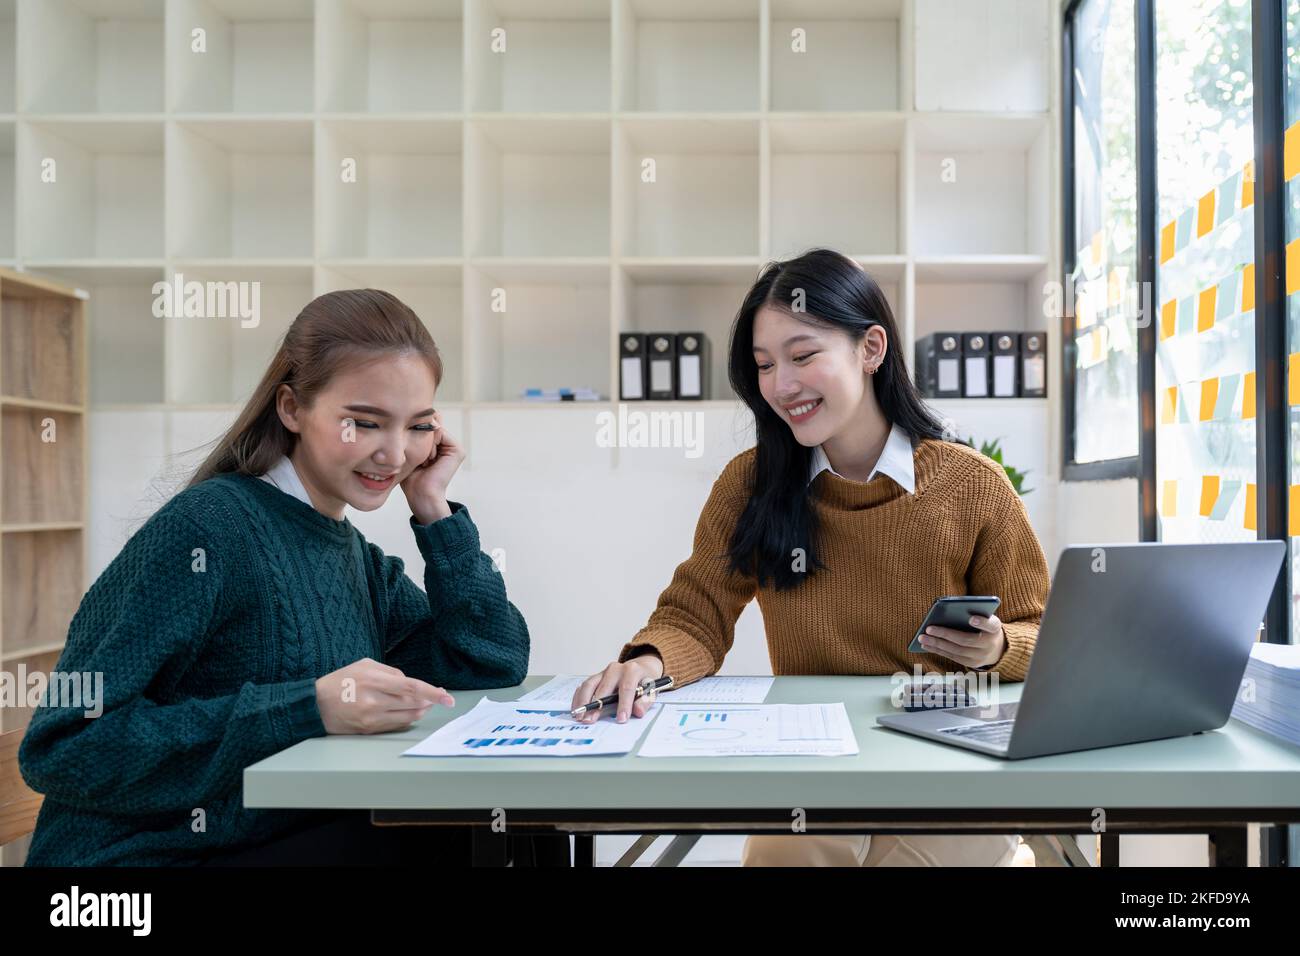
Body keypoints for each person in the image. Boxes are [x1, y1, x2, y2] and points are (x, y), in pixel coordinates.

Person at [572, 249, 1050, 867]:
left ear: (870, 349)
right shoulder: (752, 484)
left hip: (945, 760)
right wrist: (647, 661)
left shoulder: (973, 486)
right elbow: (697, 614)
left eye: (802, 356)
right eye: (765, 365)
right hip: (815, 757)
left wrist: (997, 649)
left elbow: (1041, 634)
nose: (782, 385)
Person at [20, 289, 530, 865]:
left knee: (477, 835)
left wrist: (435, 512)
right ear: (291, 408)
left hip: (266, 842)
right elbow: (63, 747)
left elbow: (489, 659)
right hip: (136, 868)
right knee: (456, 844)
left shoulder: (349, 552)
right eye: (365, 423)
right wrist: (307, 707)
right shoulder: (208, 529)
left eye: (417, 427)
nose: (394, 455)